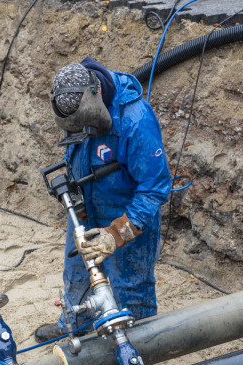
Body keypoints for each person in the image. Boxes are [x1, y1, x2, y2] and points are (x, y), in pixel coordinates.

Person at [34, 58, 171, 342]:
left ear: (96, 95)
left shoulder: (136, 120)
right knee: (77, 274)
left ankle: (138, 345)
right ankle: (76, 323)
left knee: (131, 286)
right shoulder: (75, 104)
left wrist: (118, 233)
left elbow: (155, 185)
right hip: (87, 210)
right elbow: (75, 151)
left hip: (128, 214)